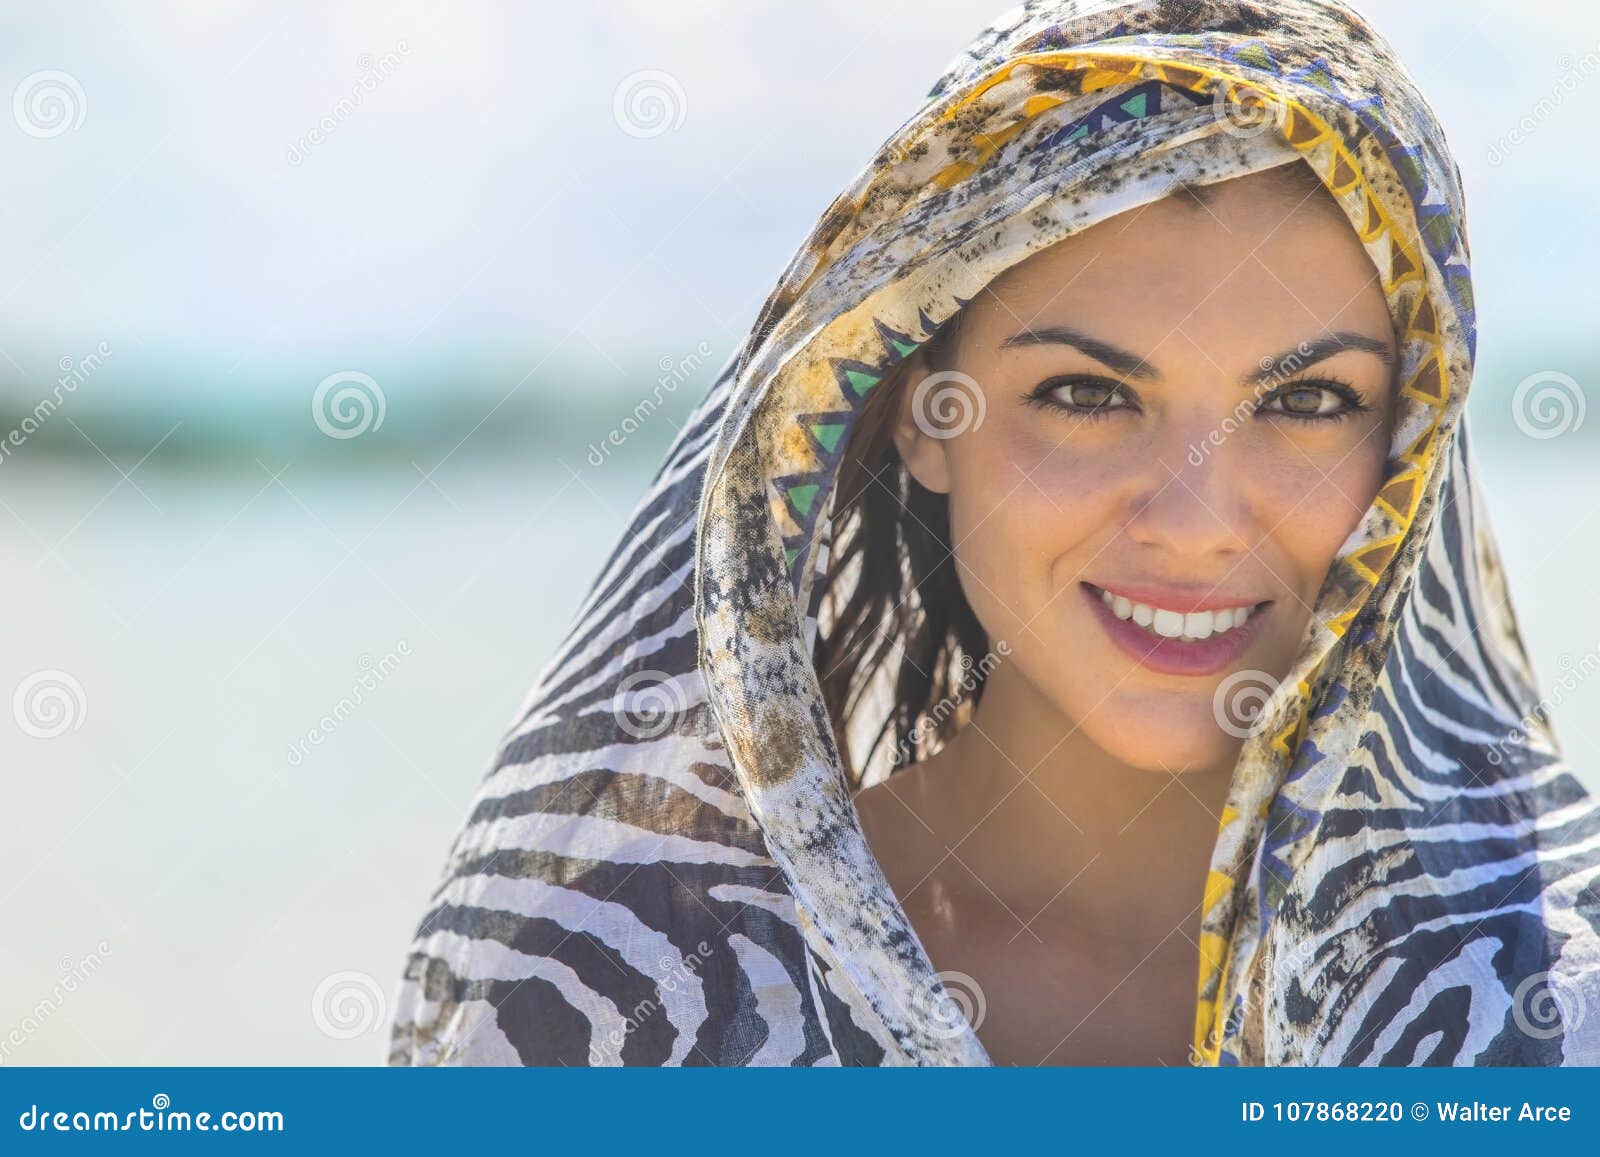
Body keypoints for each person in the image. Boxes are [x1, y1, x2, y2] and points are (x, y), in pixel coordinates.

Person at [390, 0, 1600, 1066]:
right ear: (921, 411)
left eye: (1302, 402)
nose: (1192, 522)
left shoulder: (1548, 1019)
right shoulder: (609, 1006)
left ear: (1408, 447)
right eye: (1086, 393)